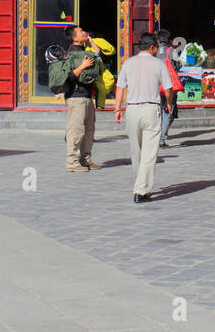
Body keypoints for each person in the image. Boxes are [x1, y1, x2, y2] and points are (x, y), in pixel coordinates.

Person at [114, 32, 175, 202]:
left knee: (136, 151)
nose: (157, 50)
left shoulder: (128, 63)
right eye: (156, 47)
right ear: (151, 47)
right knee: (149, 152)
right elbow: (168, 88)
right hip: (151, 109)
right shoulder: (158, 64)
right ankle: (141, 190)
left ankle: (140, 183)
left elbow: (120, 87)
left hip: (132, 109)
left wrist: (117, 108)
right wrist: (168, 103)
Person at [62, 26, 102, 172]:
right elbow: (69, 77)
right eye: (81, 32)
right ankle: (72, 161)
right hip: (75, 96)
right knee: (76, 129)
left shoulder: (85, 51)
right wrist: (83, 66)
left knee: (89, 130)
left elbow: (98, 55)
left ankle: (86, 159)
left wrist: (91, 42)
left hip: (87, 96)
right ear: (74, 38)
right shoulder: (71, 54)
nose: (84, 32)